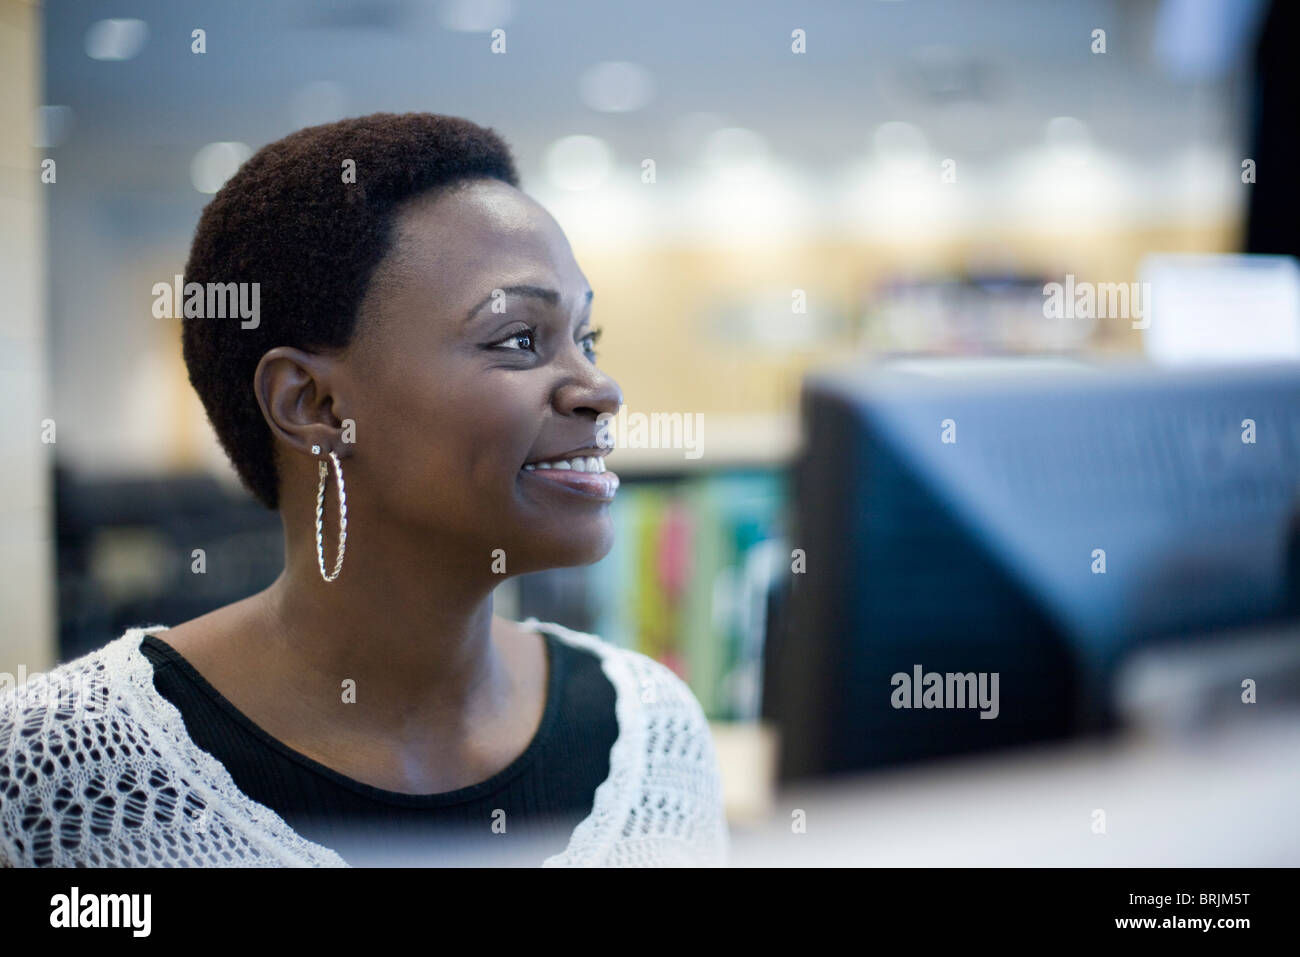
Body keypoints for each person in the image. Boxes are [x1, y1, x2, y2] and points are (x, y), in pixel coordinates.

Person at [0, 112, 729, 867]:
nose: (599, 388)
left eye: (587, 339)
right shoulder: (57, 770)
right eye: (518, 339)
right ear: (313, 405)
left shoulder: (652, 735)